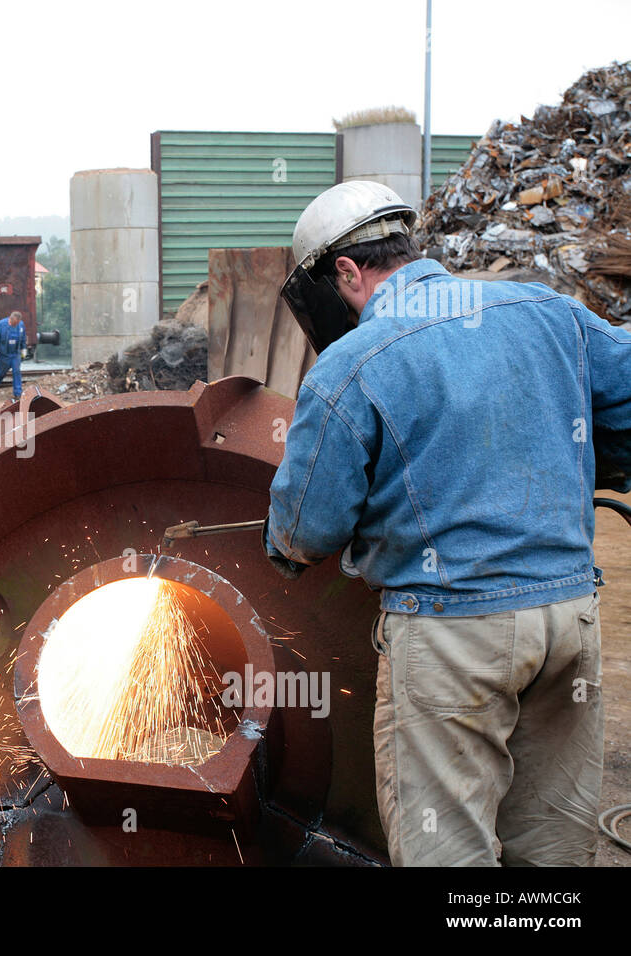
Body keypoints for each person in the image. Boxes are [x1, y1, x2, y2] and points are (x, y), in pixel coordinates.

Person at [264, 179, 626, 866]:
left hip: (453, 634)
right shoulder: (545, 309)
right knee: (552, 849)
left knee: (447, 852)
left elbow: (306, 529)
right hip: (569, 619)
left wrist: (280, 543)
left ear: (344, 272)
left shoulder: (352, 364)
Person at [0, 311, 28, 399]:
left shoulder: (20, 325)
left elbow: (23, 337)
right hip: (4, 355)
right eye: (15, 323)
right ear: (11, 319)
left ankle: (18, 394)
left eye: (18, 323)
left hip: (15, 354)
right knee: (0, 374)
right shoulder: (1, 324)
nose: (16, 324)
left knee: (16, 372)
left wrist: (24, 348)